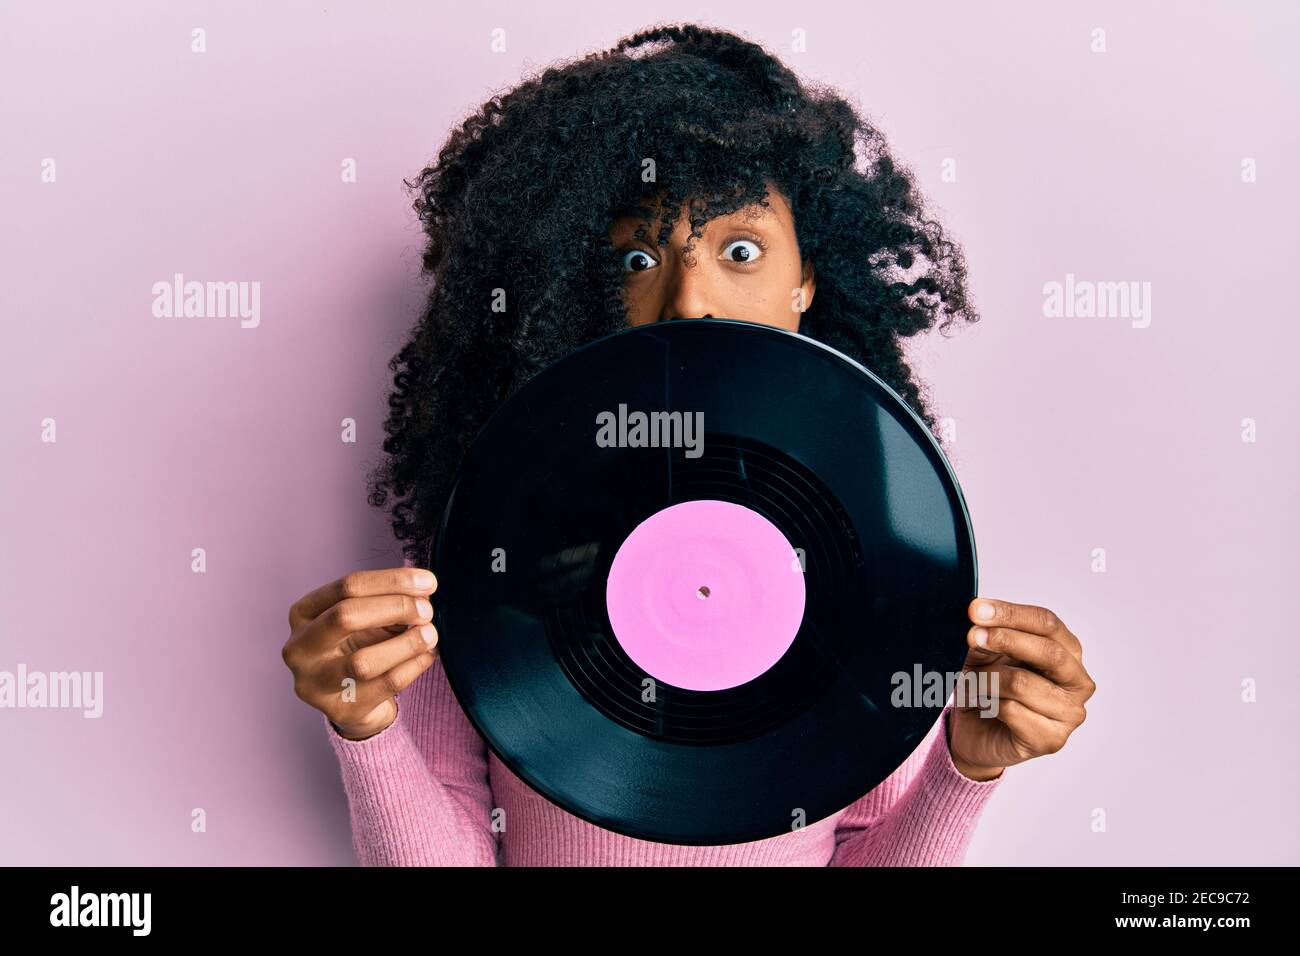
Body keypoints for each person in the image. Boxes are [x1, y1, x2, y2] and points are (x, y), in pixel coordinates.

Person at [282, 23, 1095, 866]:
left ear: (807, 279)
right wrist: (366, 730)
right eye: (638, 254)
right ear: (579, 288)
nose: (690, 299)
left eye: (740, 250)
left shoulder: (873, 533)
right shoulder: (495, 521)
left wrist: (965, 771)